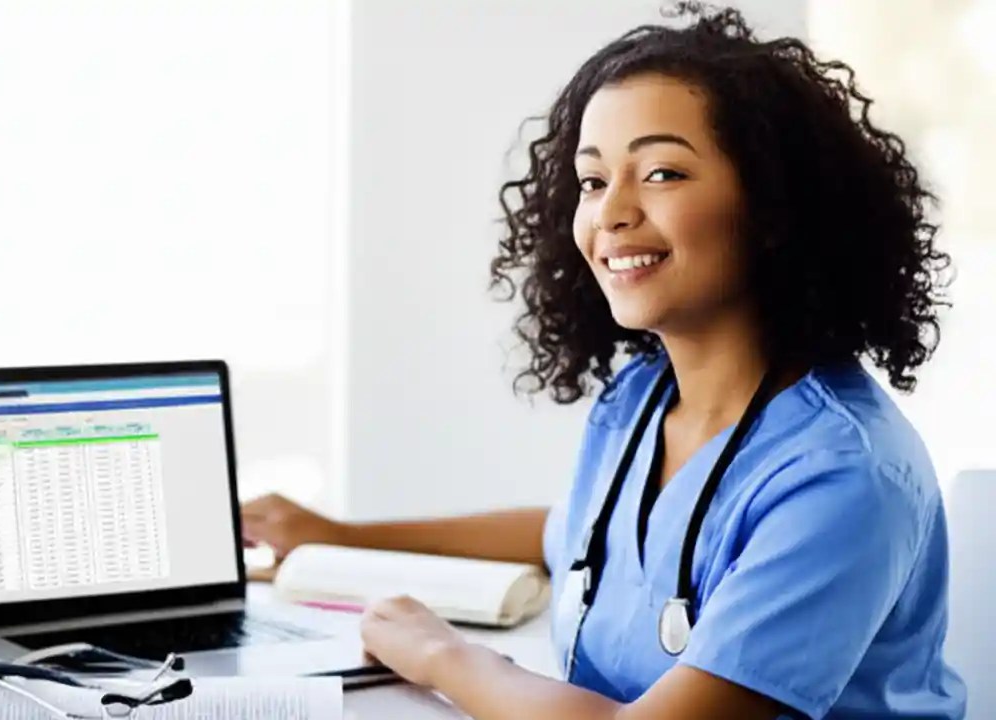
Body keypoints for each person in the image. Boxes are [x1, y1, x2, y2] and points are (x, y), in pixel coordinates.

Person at [241, 3, 967, 718]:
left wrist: (442, 655)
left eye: (661, 174)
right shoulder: (642, 401)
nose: (611, 211)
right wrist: (338, 535)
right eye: (592, 181)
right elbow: (568, 535)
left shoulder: (842, 474)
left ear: (775, 206)